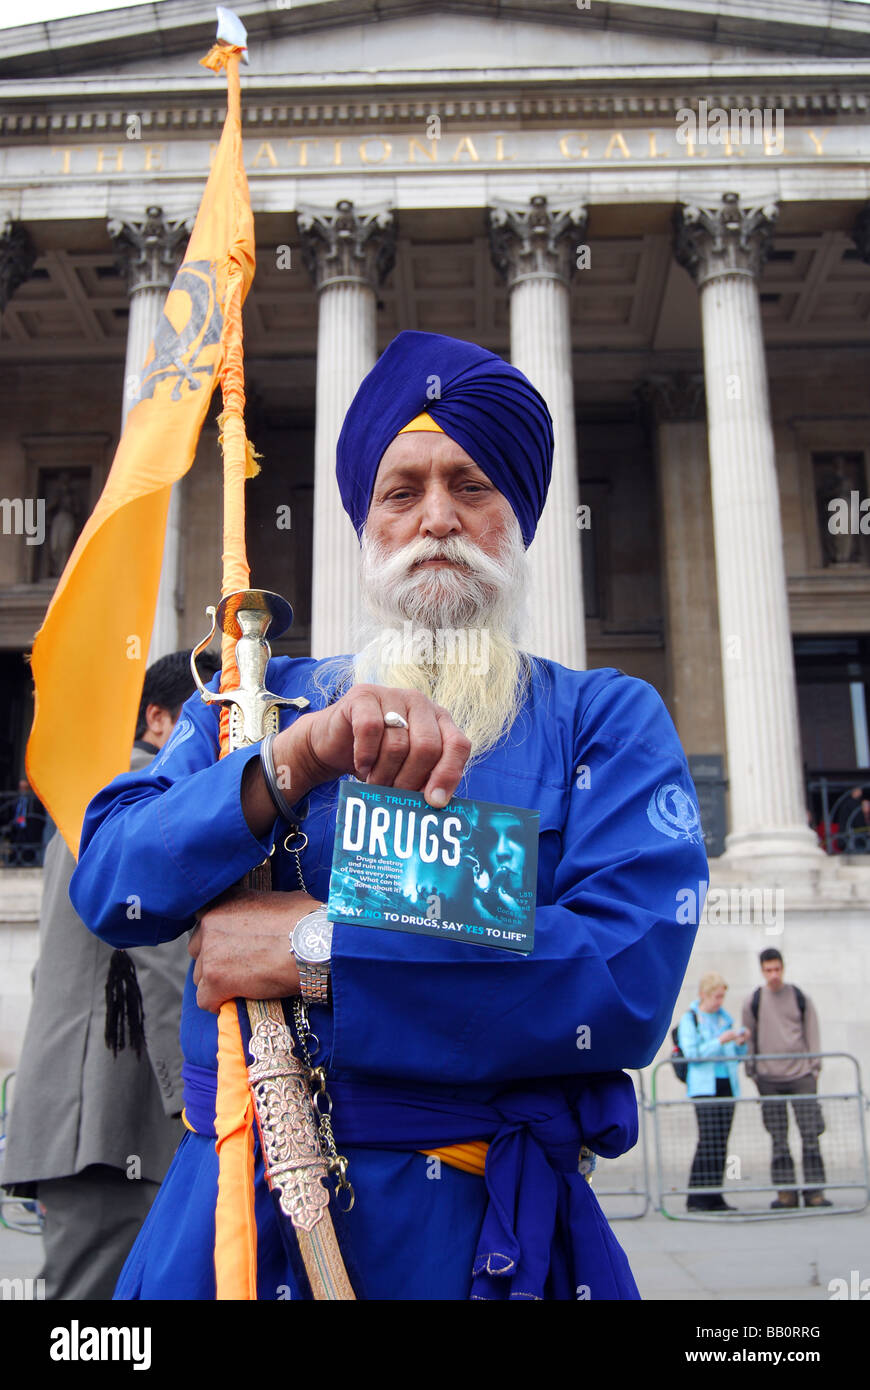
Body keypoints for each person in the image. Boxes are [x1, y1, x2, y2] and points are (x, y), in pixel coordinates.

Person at [71, 330, 708, 1301]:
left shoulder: (604, 720)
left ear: (521, 516)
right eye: (402, 491)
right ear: (365, 524)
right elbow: (111, 883)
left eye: (472, 486)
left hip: (477, 1245)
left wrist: (324, 946)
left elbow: (619, 981)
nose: (437, 518)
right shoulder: (261, 703)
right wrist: (290, 763)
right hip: (234, 1232)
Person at [1, 649, 219, 1299]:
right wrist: (198, 1102)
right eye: (211, 717)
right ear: (158, 719)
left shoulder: (101, 794)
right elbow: (158, 959)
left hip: (94, 1114)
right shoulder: (140, 797)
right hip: (112, 1116)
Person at [742, 948, 830, 1209]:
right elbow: (750, 1037)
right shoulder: (754, 1001)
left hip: (801, 1075)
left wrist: (814, 1068)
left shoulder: (799, 997)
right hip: (769, 1078)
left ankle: (815, 1193)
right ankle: (785, 1193)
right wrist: (753, 1071)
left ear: (783, 968)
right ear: (762, 971)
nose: (774, 975)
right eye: (768, 970)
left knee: (810, 1134)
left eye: (777, 969)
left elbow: (811, 1031)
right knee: (778, 1138)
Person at [676, 972, 748, 1213]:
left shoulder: (724, 1019)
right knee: (707, 1139)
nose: (719, 1001)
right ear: (704, 995)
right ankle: (696, 1197)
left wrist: (740, 1043)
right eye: (716, 996)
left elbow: (737, 1058)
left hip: (726, 1083)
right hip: (704, 1088)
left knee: (720, 1142)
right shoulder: (691, 1019)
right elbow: (693, 1053)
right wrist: (720, 1040)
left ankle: (715, 1196)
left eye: (722, 997)